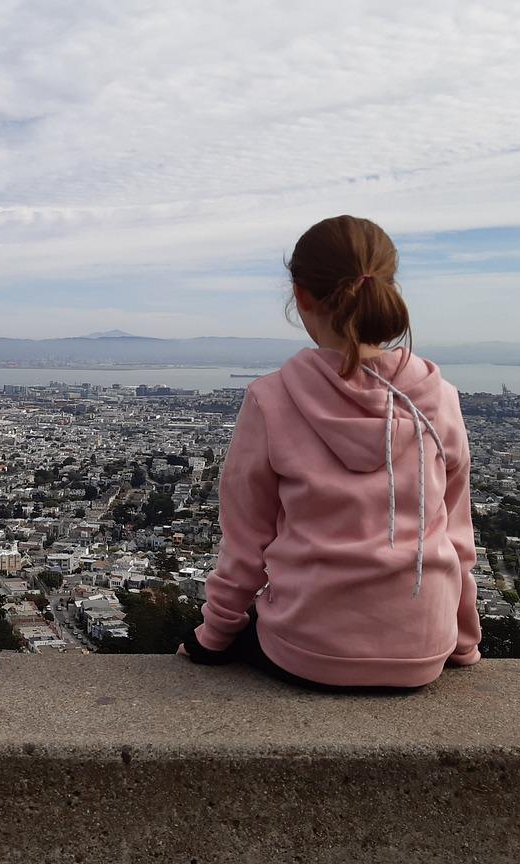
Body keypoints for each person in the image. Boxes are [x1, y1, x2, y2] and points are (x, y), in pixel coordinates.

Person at [178, 215, 481, 691]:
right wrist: (463, 642)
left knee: (256, 629)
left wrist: (212, 637)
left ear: (300, 296)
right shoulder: (441, 397)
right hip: (425, 651)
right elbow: (457, 538)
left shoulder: (271, 399)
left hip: (307, 653)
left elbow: (245, 543)